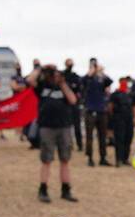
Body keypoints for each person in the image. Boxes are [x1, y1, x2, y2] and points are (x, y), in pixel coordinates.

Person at [28, 64, 79, 203]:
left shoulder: (64, 86)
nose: (54, 76)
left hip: (64, 127)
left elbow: (73, 100)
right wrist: (40, 68)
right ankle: (43, 189)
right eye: (53, 74)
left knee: (65, 159)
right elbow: (30, 81)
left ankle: (66, 189)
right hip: (47, 127)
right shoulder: (42, 86)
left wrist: (62, 83)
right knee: (46, 160)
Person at [81, 59, 111, 167]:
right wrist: (91, 72)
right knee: (89, 136)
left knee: (102, 136)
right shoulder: (87, 79)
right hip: (90, 110)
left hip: (101, 110)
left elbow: (109, 81)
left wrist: (101, 72)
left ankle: (103, 158)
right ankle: (90, 158)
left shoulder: (100, 79)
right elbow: (83, 82)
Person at [108, 76, 135, 167]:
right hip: (119, 118)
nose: (125, 83)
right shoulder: (115, 94)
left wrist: (134, 118)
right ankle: (119, 159)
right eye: (124, 82)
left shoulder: (130, 94)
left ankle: (125, 158)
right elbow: (110, 107)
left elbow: (133, 107)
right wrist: (112, 120)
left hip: (128, 119)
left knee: (128, 138)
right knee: (119, 139)